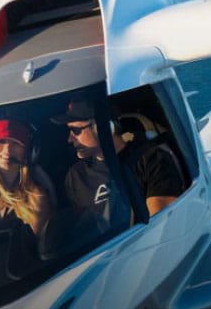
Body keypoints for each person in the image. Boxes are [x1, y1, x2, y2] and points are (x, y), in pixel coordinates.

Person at [53, 93, 188, 219]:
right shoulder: (75, 176)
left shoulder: (151, 160)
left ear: (103, 127)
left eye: (75, 131)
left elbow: (161, 225)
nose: (69, 139)